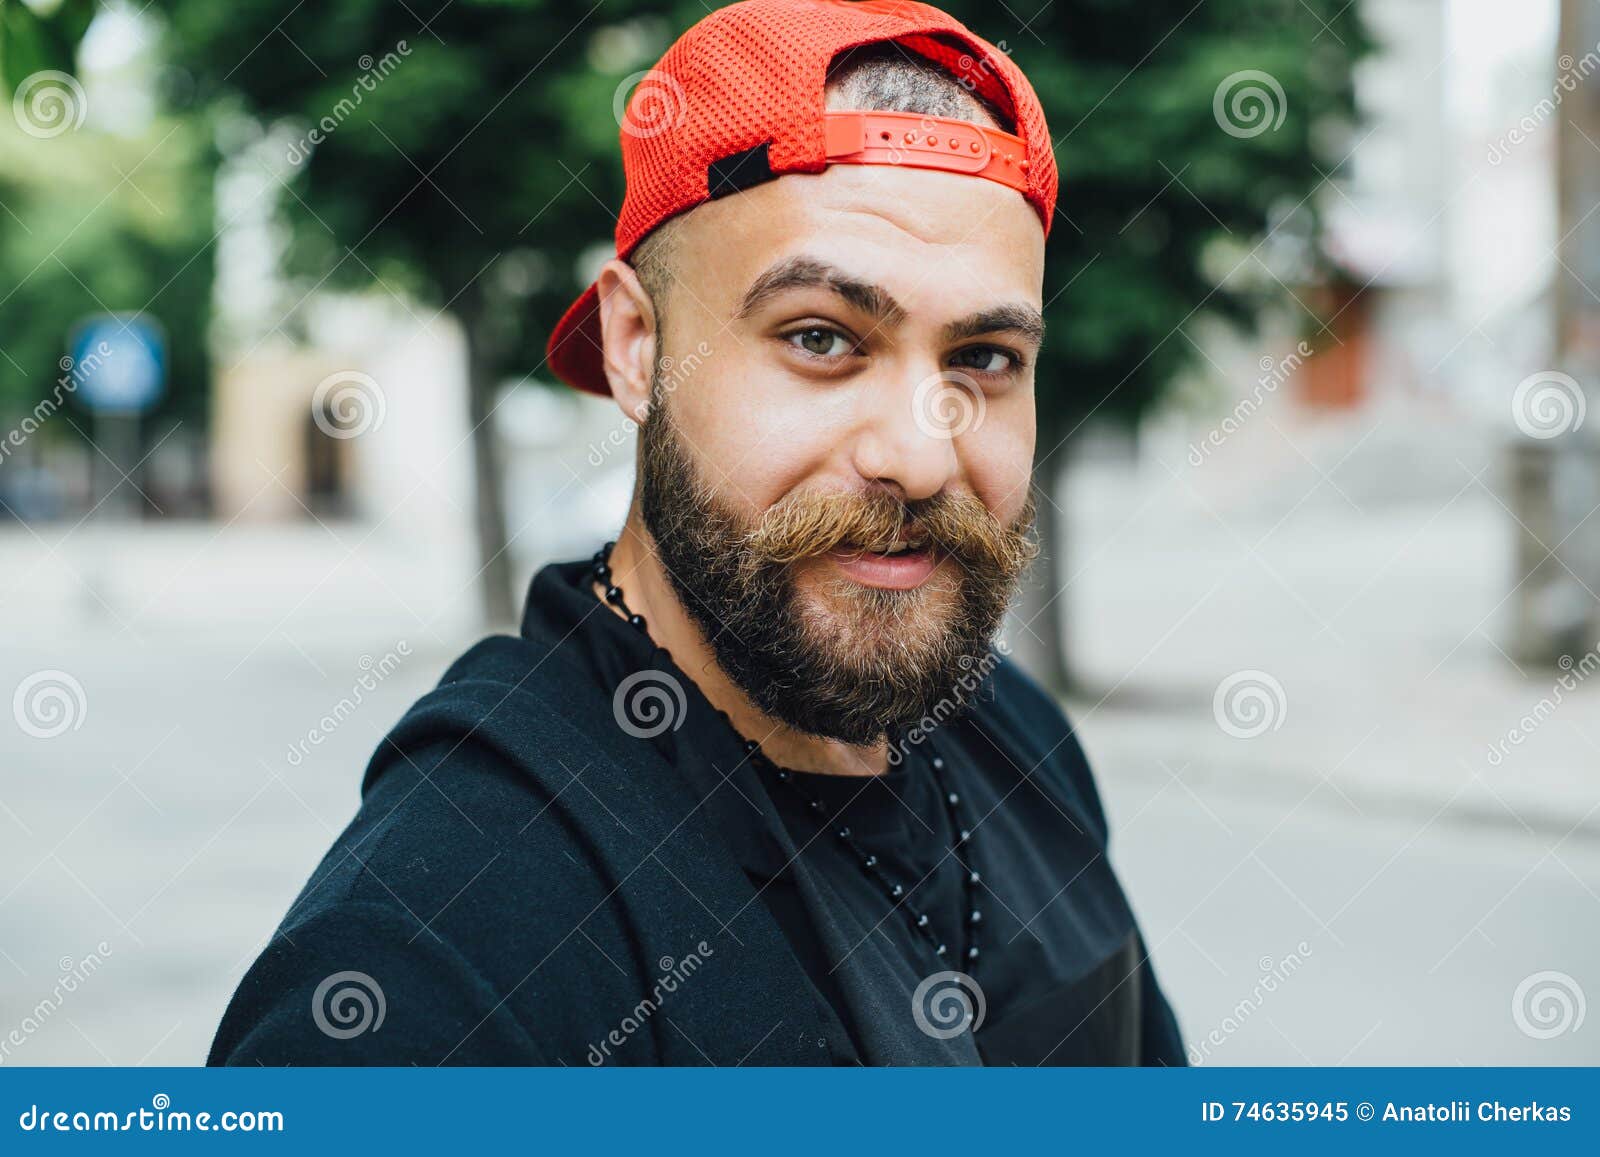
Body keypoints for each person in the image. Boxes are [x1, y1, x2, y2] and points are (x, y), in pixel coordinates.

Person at [210, 0, 1184, 1066]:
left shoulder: (1018, 738)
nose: (921, 453)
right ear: (635, 345)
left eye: (985, 357)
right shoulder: (440, 948)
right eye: (821, 338)